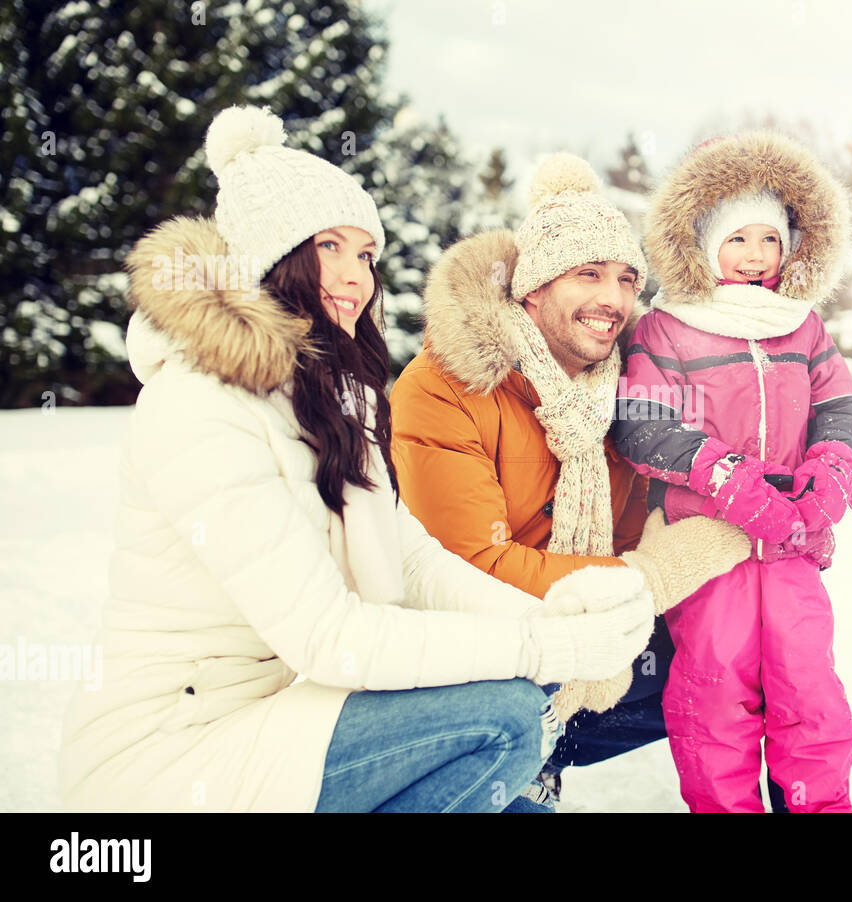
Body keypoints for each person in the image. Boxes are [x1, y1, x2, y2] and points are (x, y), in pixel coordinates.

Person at [57, 105, 654, 813]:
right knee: (506, 716)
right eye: (329, 247)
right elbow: (328, 636)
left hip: (299, 722)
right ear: (267, 257)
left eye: (366, 254)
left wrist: (559, 614)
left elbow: (413, 565)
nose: (354, 276)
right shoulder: (196, 409)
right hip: (175, 756)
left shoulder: (335, 404)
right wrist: (538, 651)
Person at [389, 153, 750, 811]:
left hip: (575, 625)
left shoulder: (628, 389)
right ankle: (501, 752)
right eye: (588, 275)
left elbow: (662, 510)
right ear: (533, 288)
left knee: (730, 637)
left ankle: (546, 748)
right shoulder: (445, 385)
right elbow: (466, 569)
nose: (612, 301)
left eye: (625, 279)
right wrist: (646, 578)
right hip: (474, 649)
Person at [611, 131, 852, 812]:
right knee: (714, 689)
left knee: (807, 681)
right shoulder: (669, 328)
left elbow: (838, 409)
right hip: (709, 547)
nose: (757, 256)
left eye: (770, 241)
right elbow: (641, 422)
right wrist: (722, 476)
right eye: (739, 240)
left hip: (789, 542)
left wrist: (830, 471)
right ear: (704, 244)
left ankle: (816, 803)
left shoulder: (802, 327)